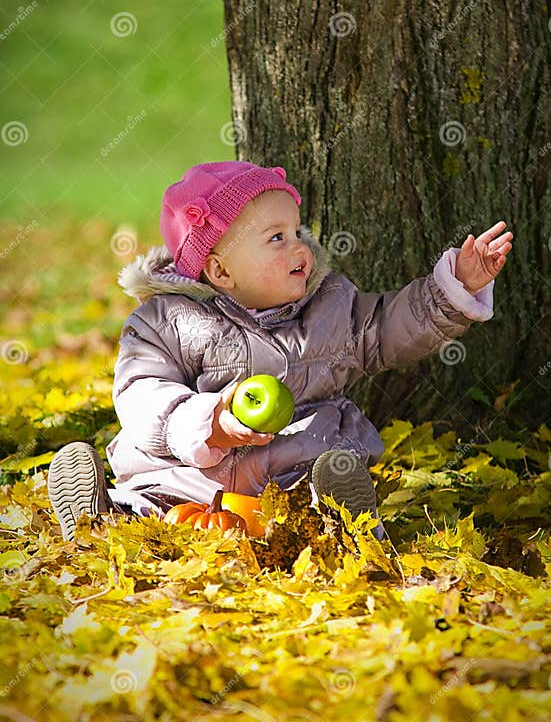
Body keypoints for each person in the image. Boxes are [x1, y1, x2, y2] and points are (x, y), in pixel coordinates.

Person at [48, 160, 513, 542]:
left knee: (314, 499)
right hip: (188, 479)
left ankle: (337, 514)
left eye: (297, 232)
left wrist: (452, 288)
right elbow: (141, 391)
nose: (300, 249)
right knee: (152, 506)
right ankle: (98, 519)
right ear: (221, 270)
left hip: (289, 478)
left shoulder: (330, 307)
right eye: (277, 238)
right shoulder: (166, 320)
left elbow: (388, 328)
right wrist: (208, 422)